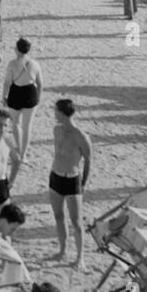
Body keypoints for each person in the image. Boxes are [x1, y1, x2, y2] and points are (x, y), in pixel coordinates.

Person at [47, 98, 93, 270]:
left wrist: (83, 183)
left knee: (76, 222)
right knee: (59, 216)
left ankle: (80, 257)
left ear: (61, 113)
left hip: (72, 179)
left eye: (55, 110)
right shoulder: (56, 130)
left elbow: (88, 160)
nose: (53, 113)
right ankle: (62, 250)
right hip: (55, 176)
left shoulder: (80, 136)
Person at [2, 38, 43, 163]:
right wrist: (38, 98)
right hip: (30, 93)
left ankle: (19, 149)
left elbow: (7, 83)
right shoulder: (35, 64)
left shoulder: (12, 64)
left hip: (16, 93)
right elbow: (40, 84)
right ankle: (23, 154)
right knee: (27, 126)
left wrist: (4, 96)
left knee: (16, 124)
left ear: (17, 49)